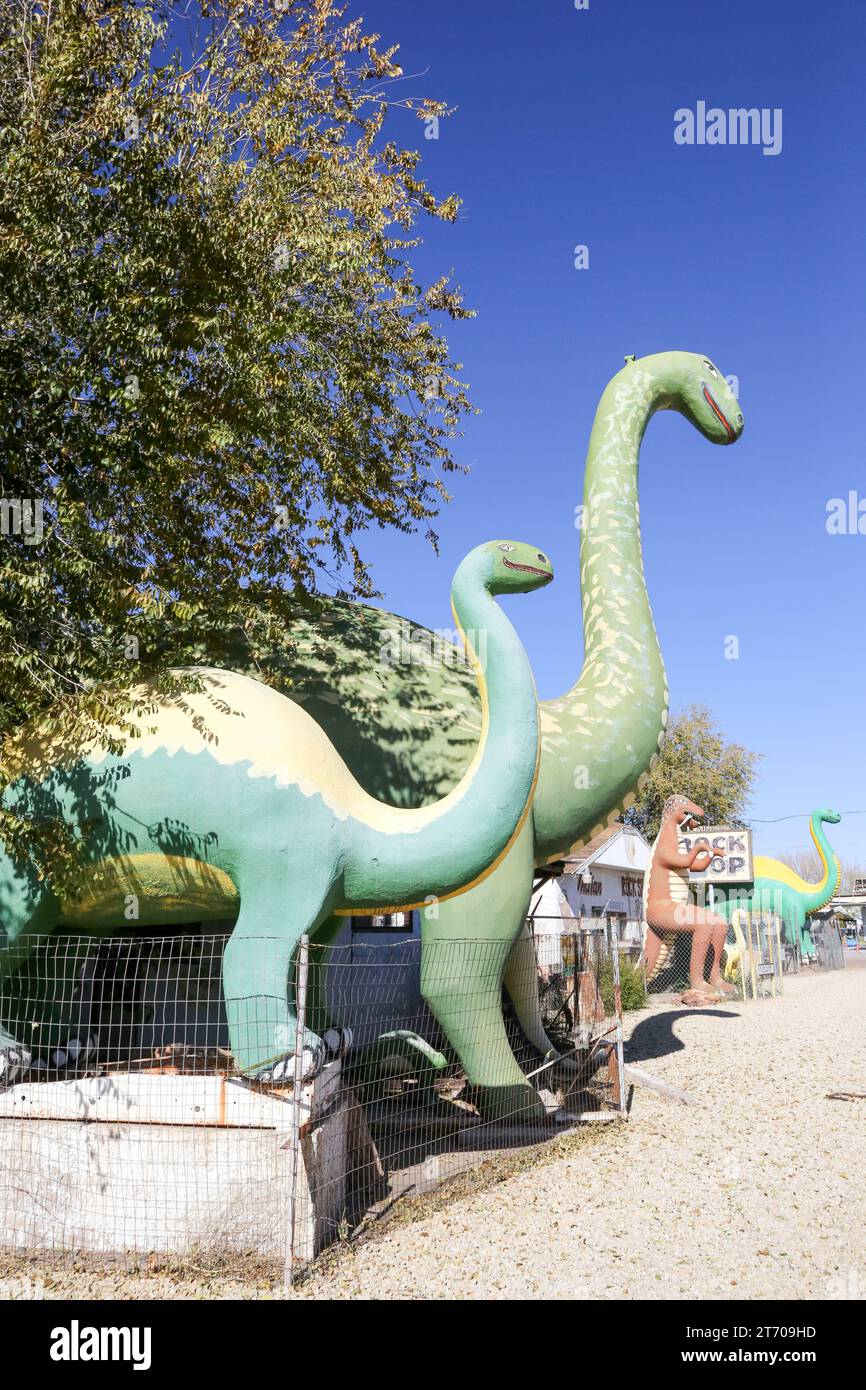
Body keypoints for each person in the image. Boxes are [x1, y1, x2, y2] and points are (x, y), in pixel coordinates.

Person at [644, 795, 736, 1004]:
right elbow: (683, 859)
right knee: (703, 923)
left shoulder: (676, 841)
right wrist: (699, 847)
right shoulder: (664, 843)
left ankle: (715, 977)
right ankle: (696, 980)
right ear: (673, 810)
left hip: (674, 907)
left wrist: (711, 855)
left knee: (719, 923)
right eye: (685, 806)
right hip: (660, 909)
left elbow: (695, 866)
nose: (693, 810)